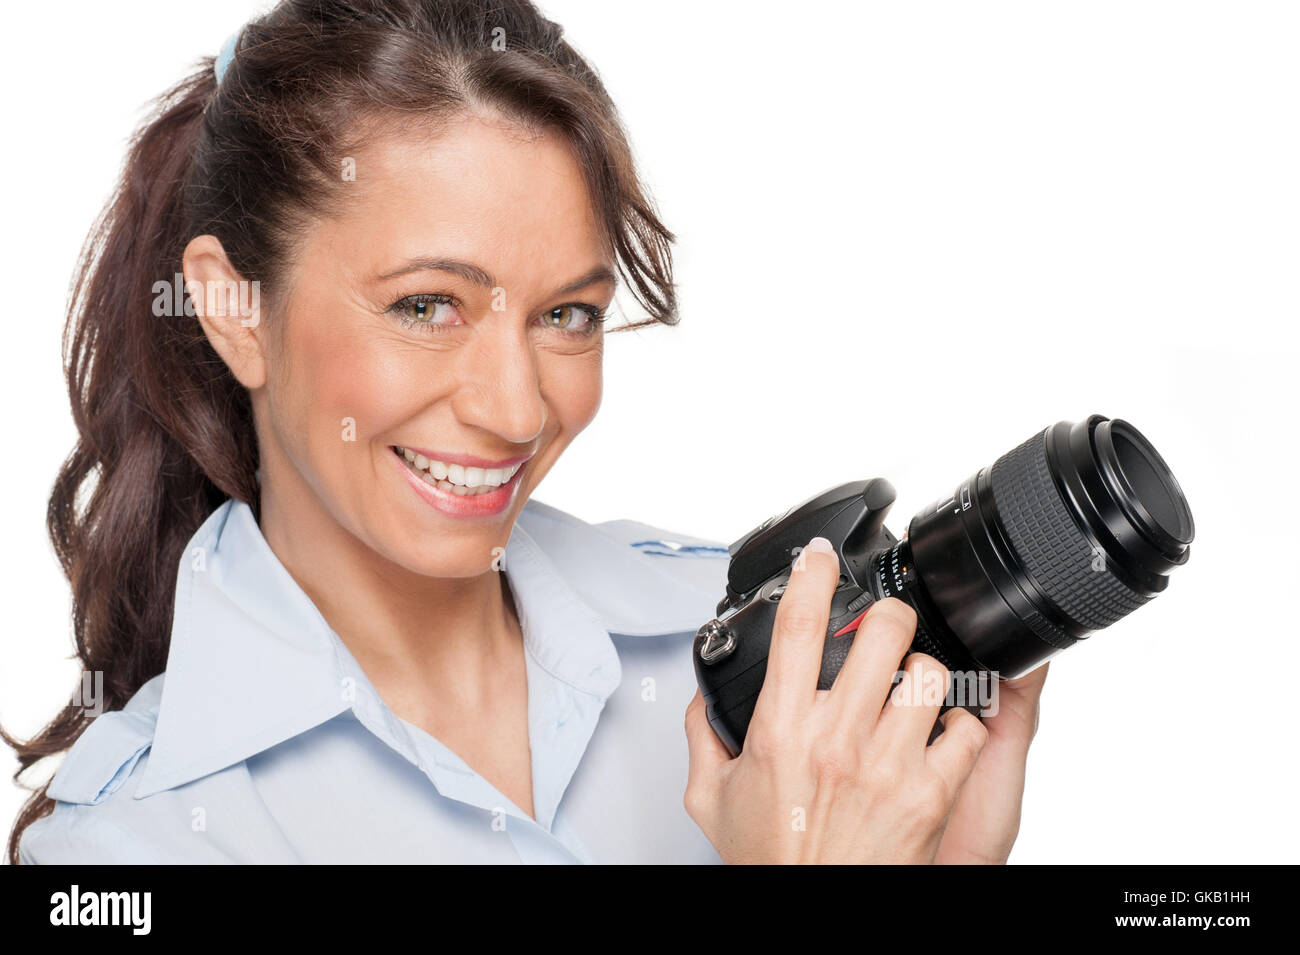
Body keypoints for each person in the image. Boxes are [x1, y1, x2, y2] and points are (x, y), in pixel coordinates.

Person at [4, 0, 1046, 864]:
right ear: (236, 311)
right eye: (425, 305)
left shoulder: (758, 658)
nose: (514, 410)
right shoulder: (129, 846)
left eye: (566, 315)